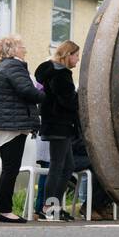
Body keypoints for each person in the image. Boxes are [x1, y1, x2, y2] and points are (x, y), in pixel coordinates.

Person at [0, 35, 43, 223]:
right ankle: (5, 211)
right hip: (12, 125)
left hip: (6, 123)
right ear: (12, 50)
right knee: (11, 169)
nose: (25, 49)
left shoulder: (1, 67)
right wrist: (46, 95)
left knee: (9, 168)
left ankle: (3, 209)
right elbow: (27, 91)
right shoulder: (14, 66)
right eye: (21, 46)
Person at [35, 40, 81, 220]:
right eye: (76, 55)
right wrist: (79, 96)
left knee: (66, 166)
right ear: (68, 55)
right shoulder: (61, 75)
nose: (77, 59)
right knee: (58, 166)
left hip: (56, 125)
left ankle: (53, 205)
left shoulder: (52, 72)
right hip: (59, 125)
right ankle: (50, 207)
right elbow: (68, 101)